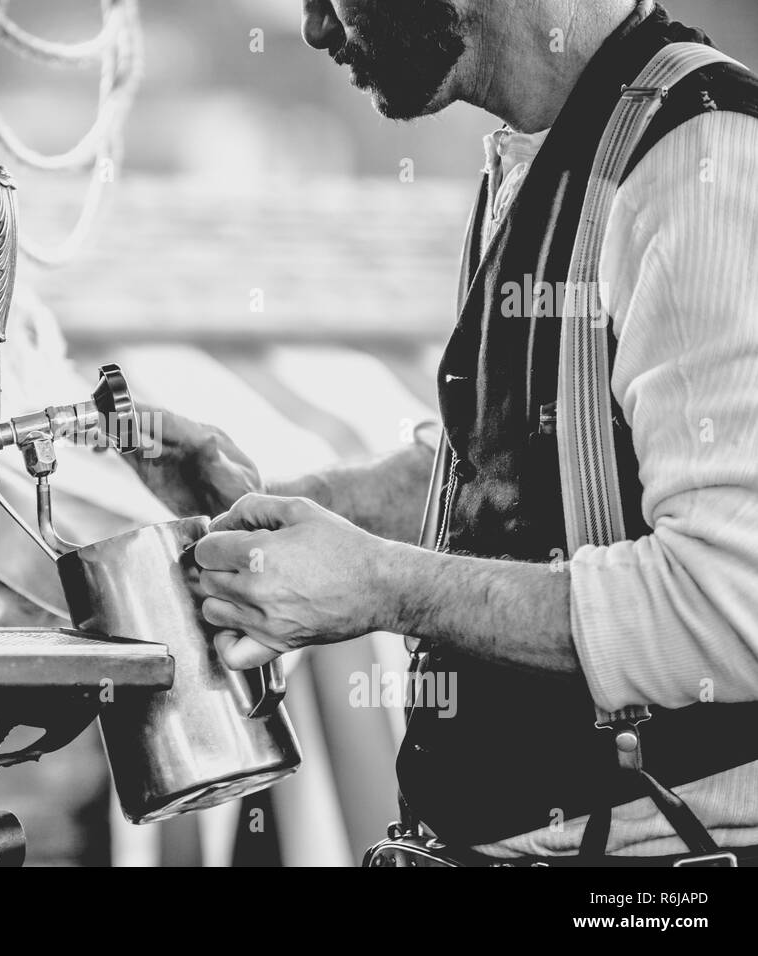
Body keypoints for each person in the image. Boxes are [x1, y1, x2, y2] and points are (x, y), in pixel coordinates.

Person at [126, 0, 758, 862]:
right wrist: (298, 507)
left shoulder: (705, 162)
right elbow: (539, 468)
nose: (317, 28)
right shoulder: (547, 144)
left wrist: (384, 586)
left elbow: (731, 604)